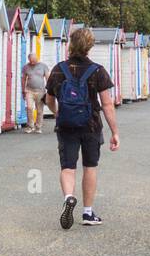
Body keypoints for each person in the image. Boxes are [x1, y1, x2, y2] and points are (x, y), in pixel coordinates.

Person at [46, 27, 119, 228]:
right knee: (90, 167)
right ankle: (88, 213)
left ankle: (69, 197)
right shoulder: (97, 70)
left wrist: (57, 112)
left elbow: (49, 99)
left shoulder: (59, 69)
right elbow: (107, 104)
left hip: (66, 125)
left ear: (71, 43)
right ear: (89, 46)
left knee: (68, 167)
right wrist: (115, 132)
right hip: (91, 125)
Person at [21, 50, 49, 133]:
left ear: (37, 58)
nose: (32, 63)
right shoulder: (26, 67)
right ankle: (30, 126)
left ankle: (38, 127)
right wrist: (23, 90)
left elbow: (47, 77)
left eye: (34, 61)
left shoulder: (43, 66)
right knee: (29, 108)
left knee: (39, 110)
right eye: (31, 61)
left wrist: (49, 90)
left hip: (40, 91)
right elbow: (23, 79)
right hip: (29, 90)